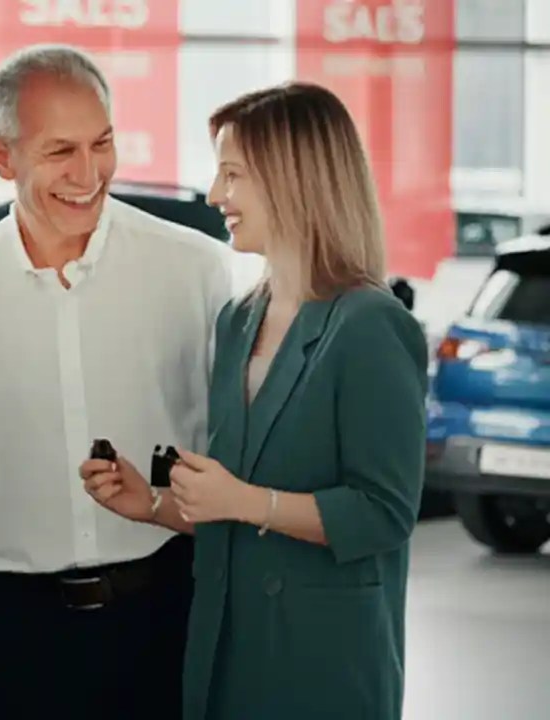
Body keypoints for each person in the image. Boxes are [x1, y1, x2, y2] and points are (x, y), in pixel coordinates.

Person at [0, 44, 236, 720]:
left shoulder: (197, 271)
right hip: (20, 642)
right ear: (3, 158)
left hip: (170, 621)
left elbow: (238, 470)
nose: (88, 174)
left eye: (102, 144)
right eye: (60, 151)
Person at [82, 82, 428, 720]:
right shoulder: (240, 320)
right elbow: (235, 506)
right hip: (226, 646)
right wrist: (151, 504)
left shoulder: (371, 325)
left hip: (321, 667)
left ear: (294, 178)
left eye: (233, 174)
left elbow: (384, 512)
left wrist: (241, 500)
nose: (216, 194)